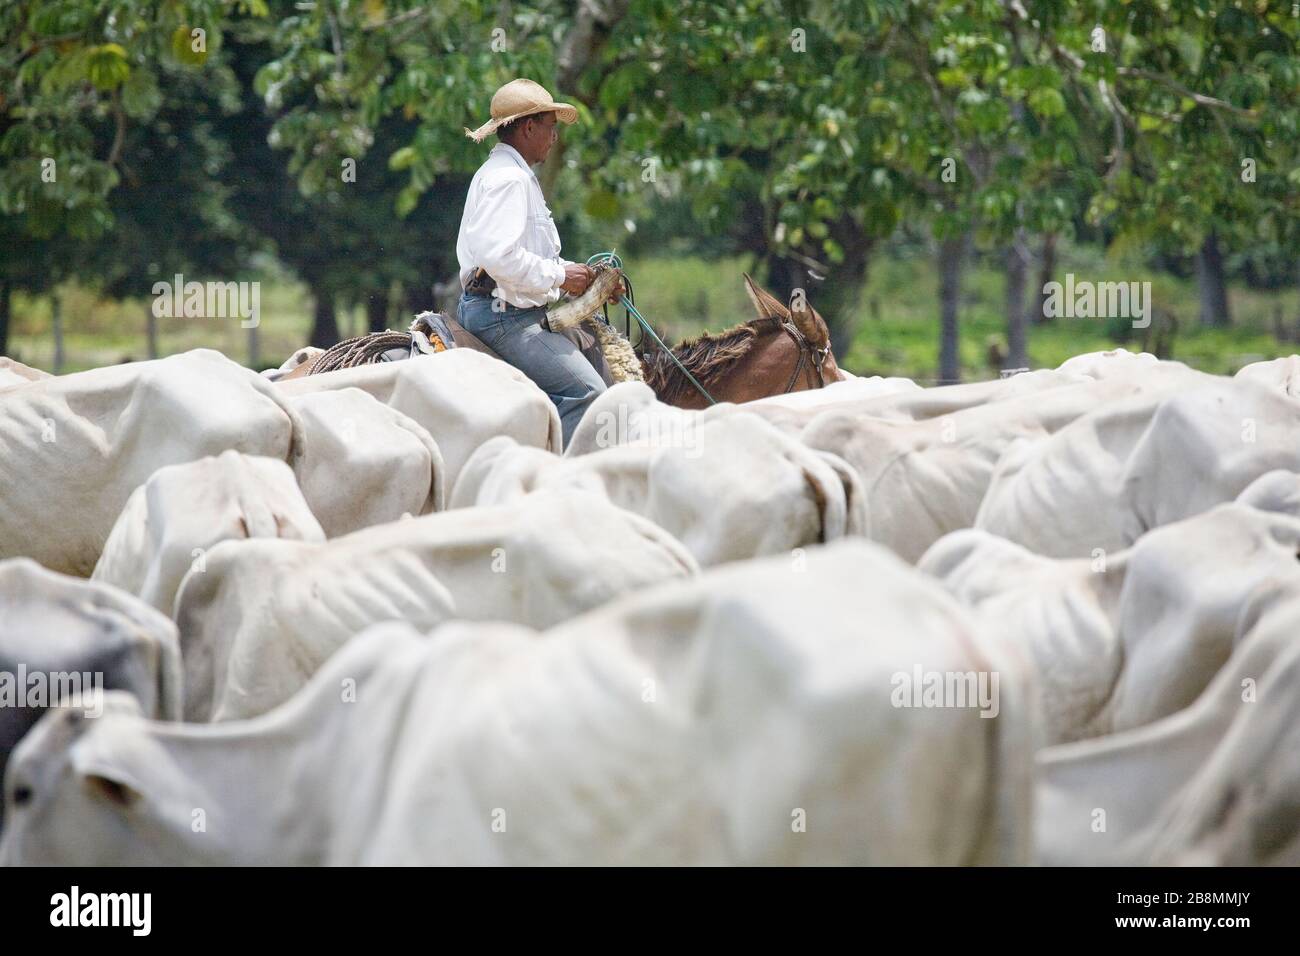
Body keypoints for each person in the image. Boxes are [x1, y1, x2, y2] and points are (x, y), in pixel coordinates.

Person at [456, 78, 609, 448]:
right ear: (528, 127)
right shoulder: (510, 180)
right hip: (505, 318)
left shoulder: (507, 174)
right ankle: (561, 488)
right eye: (550, 127)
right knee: (588, 393)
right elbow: (499, 256)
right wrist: (560, 275)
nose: (554, 138)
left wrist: (583, 278)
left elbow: (520, 255)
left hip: (503, 309)